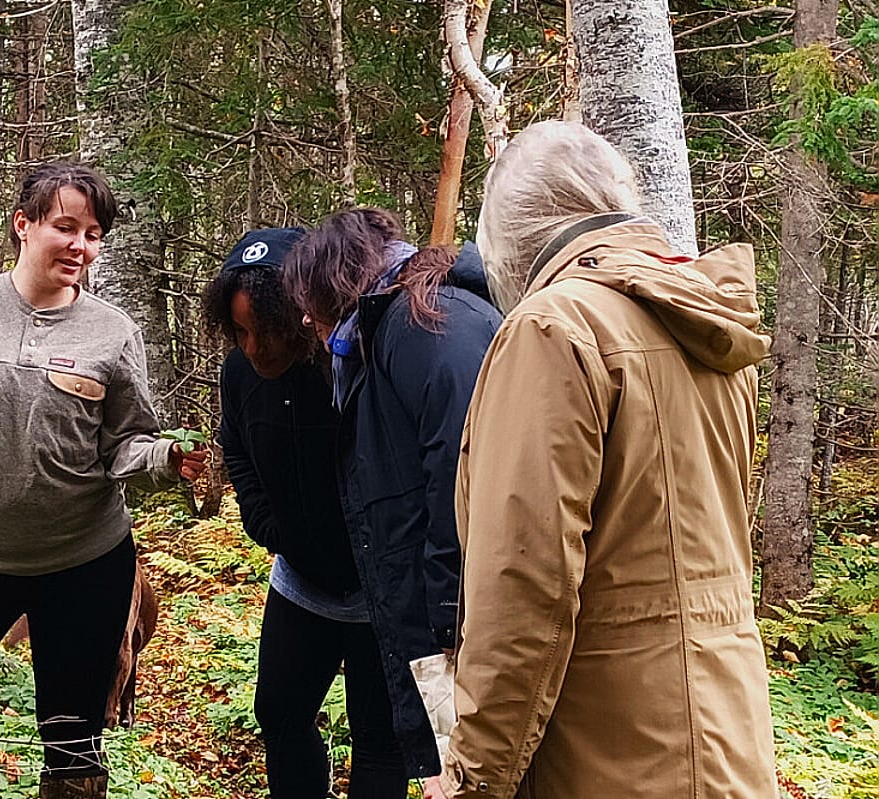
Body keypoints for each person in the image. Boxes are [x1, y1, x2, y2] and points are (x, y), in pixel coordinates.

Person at [444, 121, 777, 798]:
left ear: (513, 233)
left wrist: (474, 775)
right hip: (727, 739)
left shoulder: (553, 327)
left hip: (608, 753)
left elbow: (525, 584)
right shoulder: (707, 324)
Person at [0, 163, 206, 799]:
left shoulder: (113, 331)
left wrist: (165, 460)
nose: (81, 245)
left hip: (84, 566)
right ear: (24, 225)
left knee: (74, 755)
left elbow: (124, 443)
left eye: (94, 234)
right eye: (66, 227)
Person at [283, 209, 503, 795]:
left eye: (312, 300)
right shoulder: (388, 331)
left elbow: (460, 483)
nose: (307, 318)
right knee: (443, 775)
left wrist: (450, 621)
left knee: (466, 779)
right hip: (435, 620)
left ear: (340, 280)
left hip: (460, 623)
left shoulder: (428, 326)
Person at [202, 228, 407, 798]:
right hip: (300, 588)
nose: (254, 348)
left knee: (378, 740)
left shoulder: (354, 364)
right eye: (240, 331)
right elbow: (236, 447)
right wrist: (261, 518)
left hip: (377, 596)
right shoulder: (238, 373)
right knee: (281, 716)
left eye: (265, 331)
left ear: (301, 314)